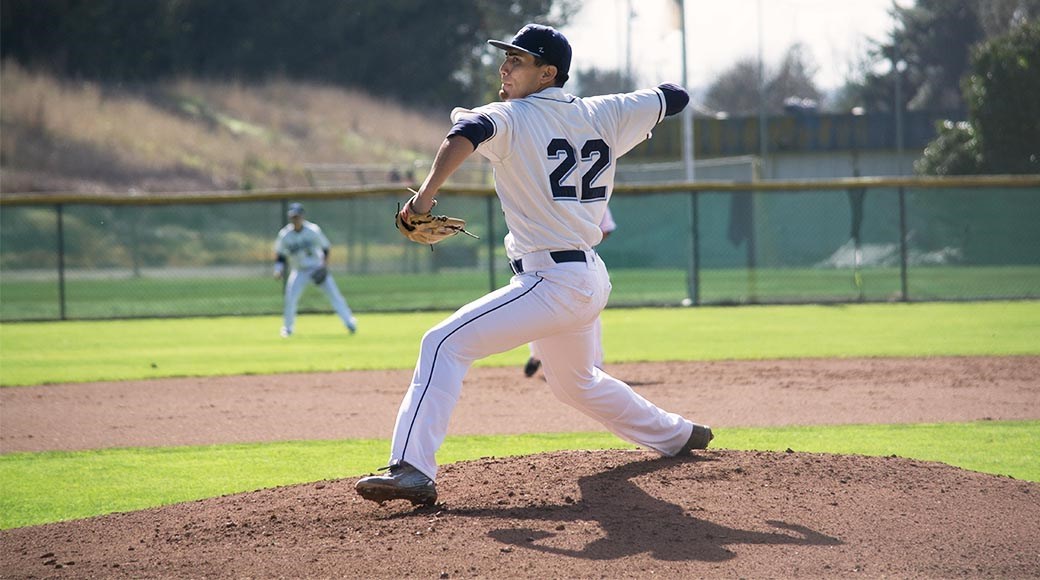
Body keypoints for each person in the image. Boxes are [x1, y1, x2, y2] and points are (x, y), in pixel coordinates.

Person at [356, 24, 712, 507]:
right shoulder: (604, 111)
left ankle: (412, 468)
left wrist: (422, 199)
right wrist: (634, 104)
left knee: (441, 343)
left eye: (518, 61)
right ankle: (677, 435)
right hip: (586, 277)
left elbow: (466, 131)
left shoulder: (513, 117)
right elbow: (675, 96)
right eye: (506, 58)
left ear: (547, 73)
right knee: (575, 383)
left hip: (551, 281)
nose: (505, 67)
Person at [524, 206, 616, 377]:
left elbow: (606, 229)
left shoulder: (590, 193)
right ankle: (537, 355)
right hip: (543, 261)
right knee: (538, 312)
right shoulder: (549, 190)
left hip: (581, 260)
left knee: (590, 314)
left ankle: (595, 365)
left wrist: (580, 239)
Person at [273, 202, 357, 337]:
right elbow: (280, 254)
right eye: (293, 217)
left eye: (297, 216)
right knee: (290, 298)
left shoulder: (313, 230)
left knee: (334, 295)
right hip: (299, 271)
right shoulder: (285, 235)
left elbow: (326, 248)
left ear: (302, 216)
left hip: (316, 267)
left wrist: (324, 266)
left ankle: (350, 323)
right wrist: (278, 269)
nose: (295, 219)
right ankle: (287, 328)